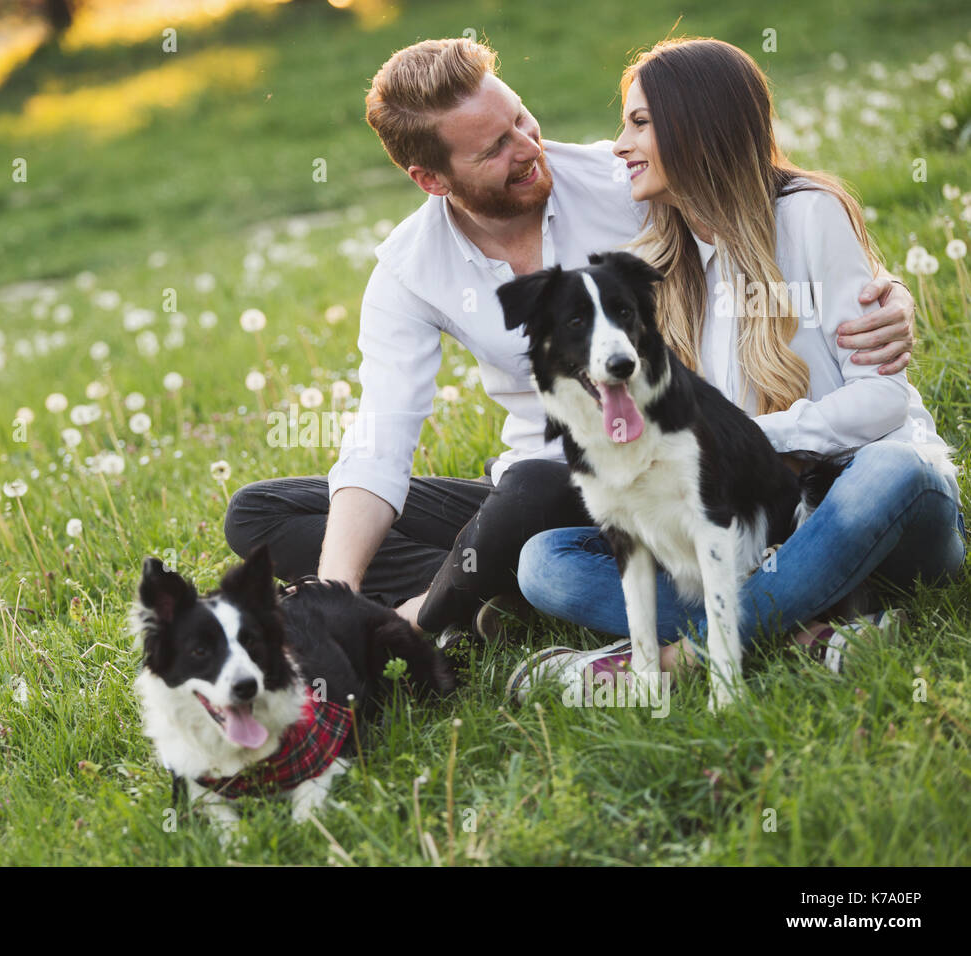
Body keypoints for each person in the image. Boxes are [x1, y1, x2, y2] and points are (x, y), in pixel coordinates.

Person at [223, 37, 919, 647]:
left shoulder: (628, 182)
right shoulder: (410, 270)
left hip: (655, 464)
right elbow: (379, 444)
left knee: (532, 490)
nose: (528, 148)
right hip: (545, 489)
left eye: (521, 119)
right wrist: (335, 593)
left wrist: (886, 291)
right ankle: (477, 589)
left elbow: (749, 203)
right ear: (432, 180)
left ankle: (424, 617)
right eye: (495, 149)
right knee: (261, 514)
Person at [507, 37, 966, 699]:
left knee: (892, 469)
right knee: (544, 563)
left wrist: (752, 441)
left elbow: (882, 405)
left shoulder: (810, 216)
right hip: (755, 535)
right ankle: (816, 631)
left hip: (876, 512)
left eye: (639, 123)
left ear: (698, 125)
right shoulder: (652, 268)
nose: (619, 144)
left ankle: (680, 660)